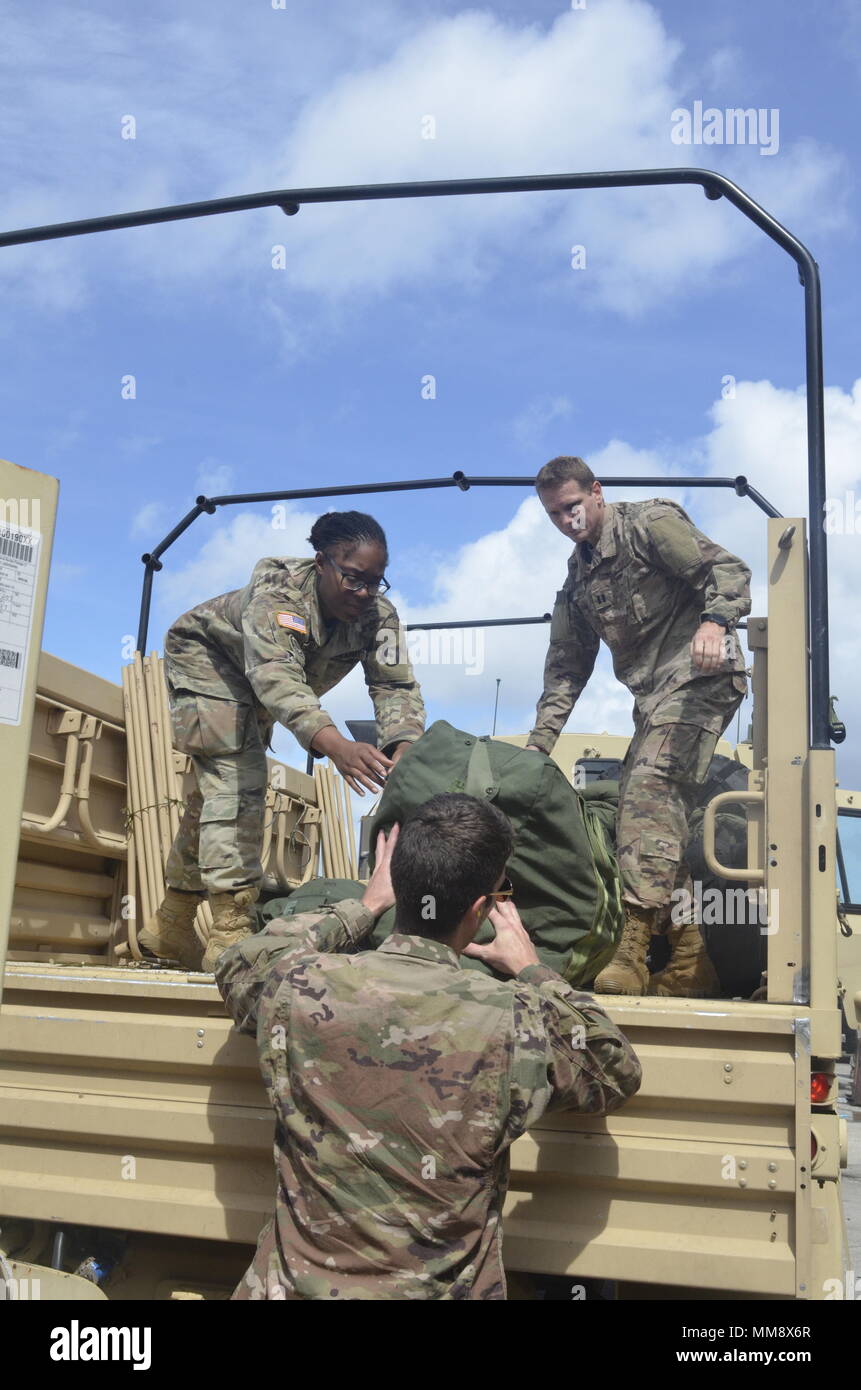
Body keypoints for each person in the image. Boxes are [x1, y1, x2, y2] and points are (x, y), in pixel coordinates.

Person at [216, 792, 642, 1300]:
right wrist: (532, 967)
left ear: (398, 879)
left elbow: (241, 963)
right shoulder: (515, 1016)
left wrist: (365, 904)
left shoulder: (300, 986)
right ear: (482, 908)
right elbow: (613, 1071)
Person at [139, 510, 425, 973]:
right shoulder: (277, 596)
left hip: (262, 683)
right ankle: (230, 931)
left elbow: (395, 686)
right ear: (322, 562)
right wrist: (335, 745)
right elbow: (278, 676)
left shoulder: (378, 616)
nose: (366, 593)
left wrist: (404, 749)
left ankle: (171, 924)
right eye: (354, 579)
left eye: (377, 582)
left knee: (210, 797)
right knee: (238, 778)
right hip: (209, 662)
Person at [527, 456, 751, 998]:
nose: (567, 521)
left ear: (597, 492)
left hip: (703, 675)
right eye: (555, 514)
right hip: (653, 701)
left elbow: (729, 570)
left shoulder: (647, 525)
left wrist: (715, 622)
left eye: (573, 507)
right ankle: (692, 951)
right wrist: (537, 748)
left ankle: (631, 947)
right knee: (636, 813)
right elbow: (565, 672)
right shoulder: (577, 580)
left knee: (650, 790)